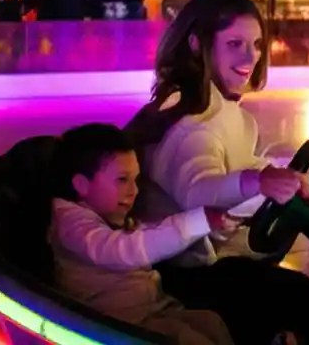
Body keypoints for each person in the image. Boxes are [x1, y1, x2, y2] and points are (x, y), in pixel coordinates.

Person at [125, 0, 309, 345]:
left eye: (256, 44)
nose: (250, 56)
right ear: (197, 44)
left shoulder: (220, 110)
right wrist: (258, 181)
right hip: (180, 274)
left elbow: (239, 167)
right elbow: (198, 190)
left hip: (202, 263)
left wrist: (287, 181)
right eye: (235, 44)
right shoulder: (191, 119)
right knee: (300, 300)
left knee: (299, 295)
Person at [50, 123, 238, 345]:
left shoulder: (109, 216)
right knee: (189, 339)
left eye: (135, 180)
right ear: (81, 184)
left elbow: (148, 235)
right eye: (122, 180)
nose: (134, 191)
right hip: (118, 326)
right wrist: (199, 221)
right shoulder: (71, 224)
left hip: (152, 311)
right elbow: (123, 250)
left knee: (209, 321)